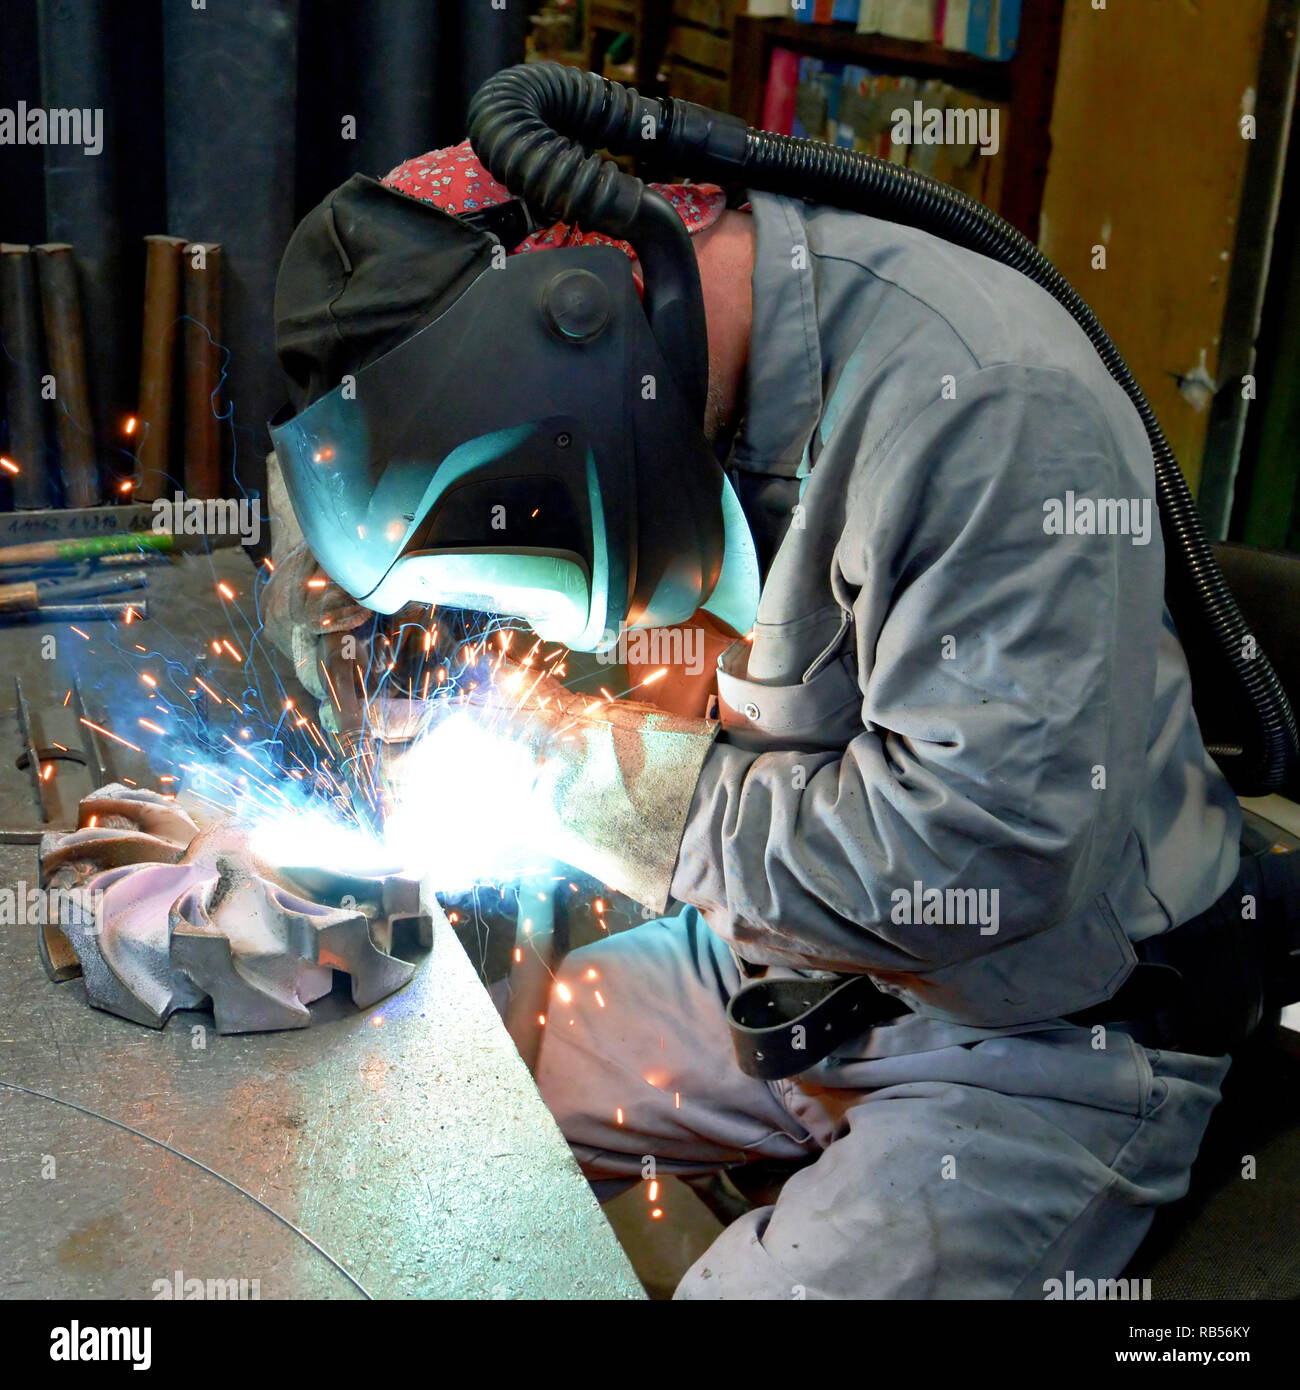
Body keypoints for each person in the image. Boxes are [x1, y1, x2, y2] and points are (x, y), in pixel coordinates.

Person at [265, 138, 1241, 1299]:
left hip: (1041, 1035)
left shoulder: (983, 407)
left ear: (577, 334)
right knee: (455, 1104)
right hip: (802, 969)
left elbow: (969, 857)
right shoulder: (677, 372)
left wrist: (558, 772)